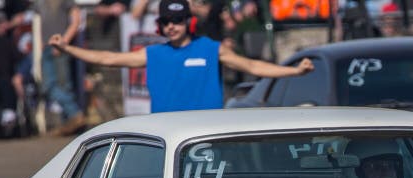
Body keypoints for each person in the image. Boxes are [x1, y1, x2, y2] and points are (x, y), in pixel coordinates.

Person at [48, 0, 314, 113]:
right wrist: (67, 48)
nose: (172, 26)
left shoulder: (212, 49)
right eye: (166, 22)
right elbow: (107, 58)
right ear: (160, 25)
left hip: (207, 133)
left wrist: (295, 71)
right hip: (168, 135)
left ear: (189, 21)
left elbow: (253, 65)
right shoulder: (152, 54)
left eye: (177, 20)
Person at [34, 0, 85, 135]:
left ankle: (72, 118)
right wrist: (40, 43)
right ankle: (73, 115)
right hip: (46, 48)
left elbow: (76, 21)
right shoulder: (40, 3)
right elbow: (38, 24)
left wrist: (64, 42)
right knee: (48, 86)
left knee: (63, 85)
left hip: (59, 47)